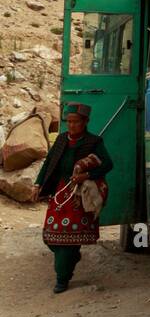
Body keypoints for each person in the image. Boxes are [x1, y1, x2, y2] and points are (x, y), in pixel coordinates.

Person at [33, 103, 113, 293]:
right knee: (50, 237)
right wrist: (38, 184)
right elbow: (49, 162)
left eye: (76, 122)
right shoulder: (61, 140)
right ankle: (72, 257)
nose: (71, 126)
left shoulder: (94, 142)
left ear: (85, 122)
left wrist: (86, 176)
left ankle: (62, 278)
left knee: (68, 240)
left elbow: (108, 164)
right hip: (60, 192)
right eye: (68, 122)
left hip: (79, 195)